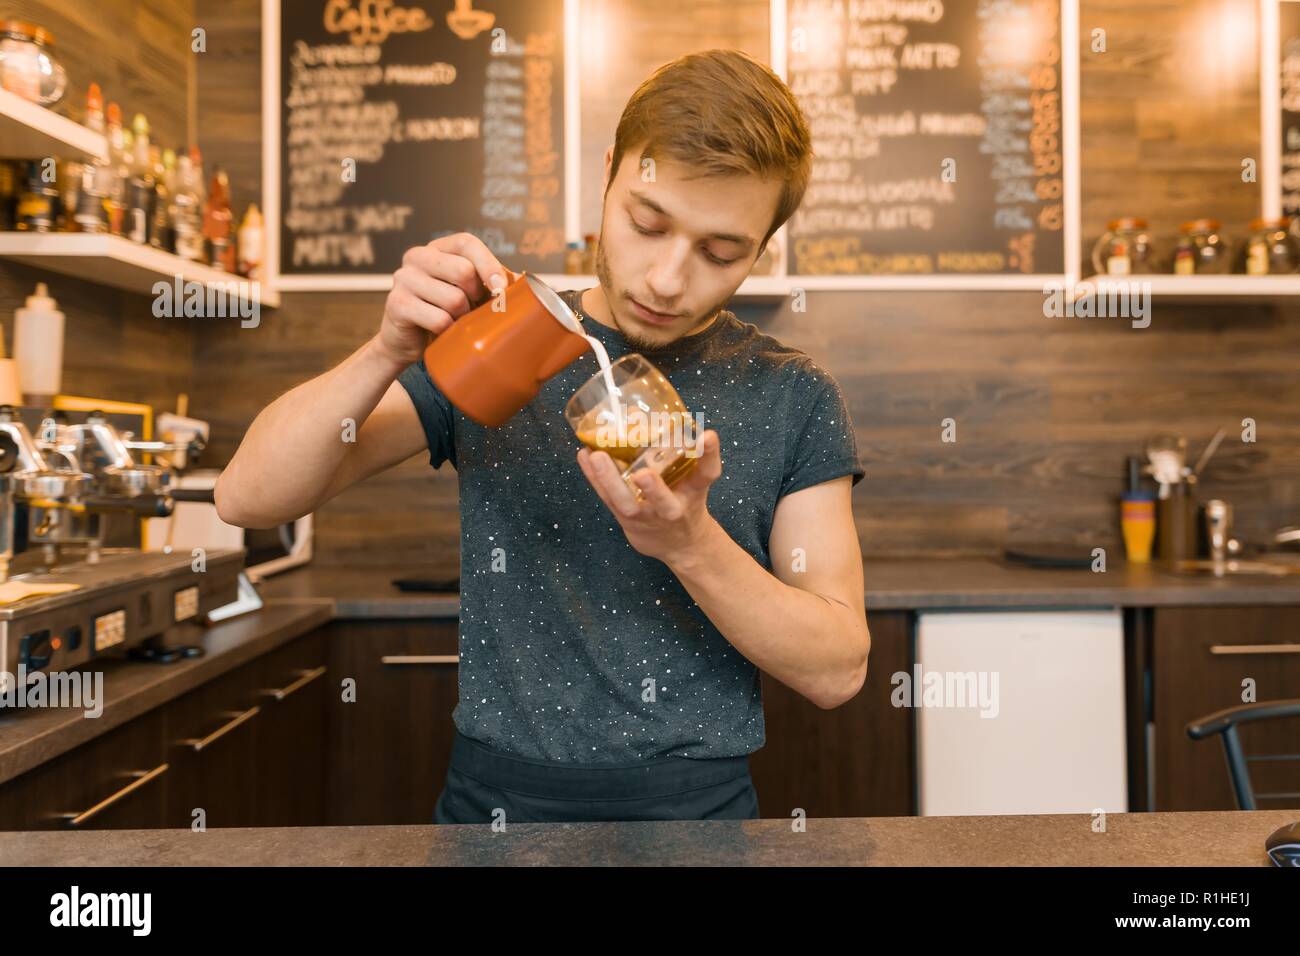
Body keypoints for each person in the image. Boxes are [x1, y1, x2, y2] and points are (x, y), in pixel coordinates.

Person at [216, 48, 869, 824]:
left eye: (719, 252)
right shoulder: (510, 339)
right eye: (646, 222)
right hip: (495, 809)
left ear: (763, 248)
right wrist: (388, 347)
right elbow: (248, 497)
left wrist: (690, 542)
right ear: (608, 176)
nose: (666, 278)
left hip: (698, 819)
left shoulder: (792, 393)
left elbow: (838, 668)